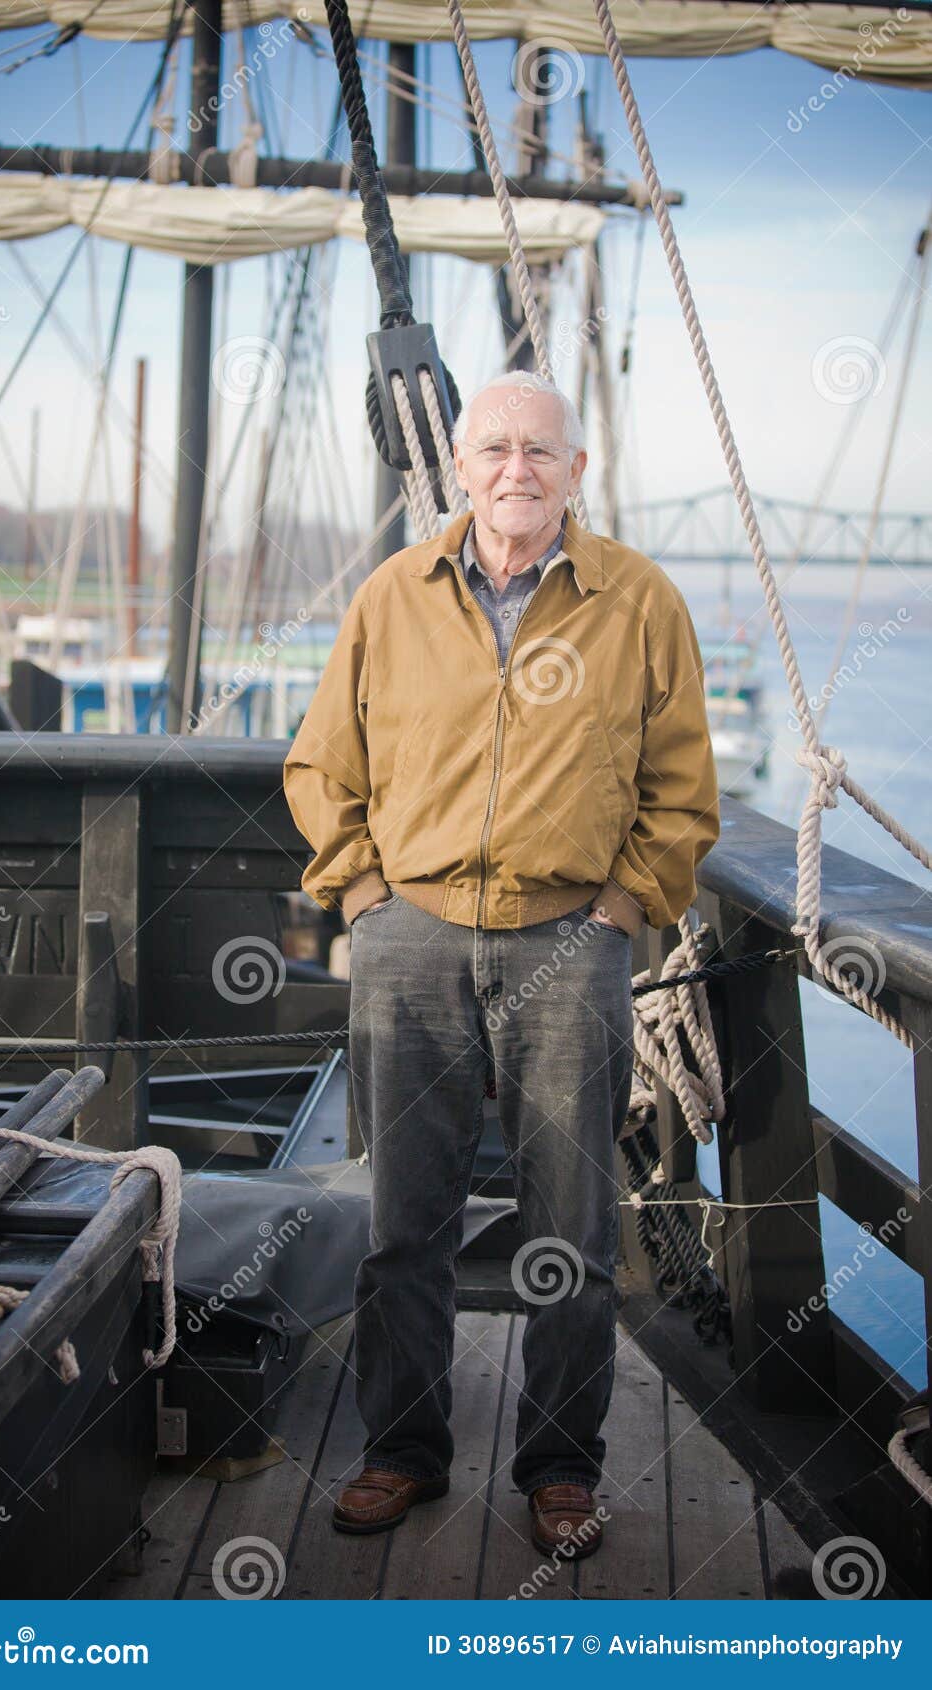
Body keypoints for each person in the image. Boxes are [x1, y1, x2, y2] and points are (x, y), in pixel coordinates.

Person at [282, 371, 720, 1557]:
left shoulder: (638, 602)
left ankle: (559, 1467)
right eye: (493, 448)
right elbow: (321, 766)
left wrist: (623, 909)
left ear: (577, 469)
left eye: (539, 448)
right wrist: (367, 897)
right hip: (409, 940)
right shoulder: (391, 596)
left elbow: (682, 790)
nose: (515, 467)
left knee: (568, 1233)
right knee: (401, 1221)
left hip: (568, 942)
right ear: (460, 468)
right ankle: (403, 1450)